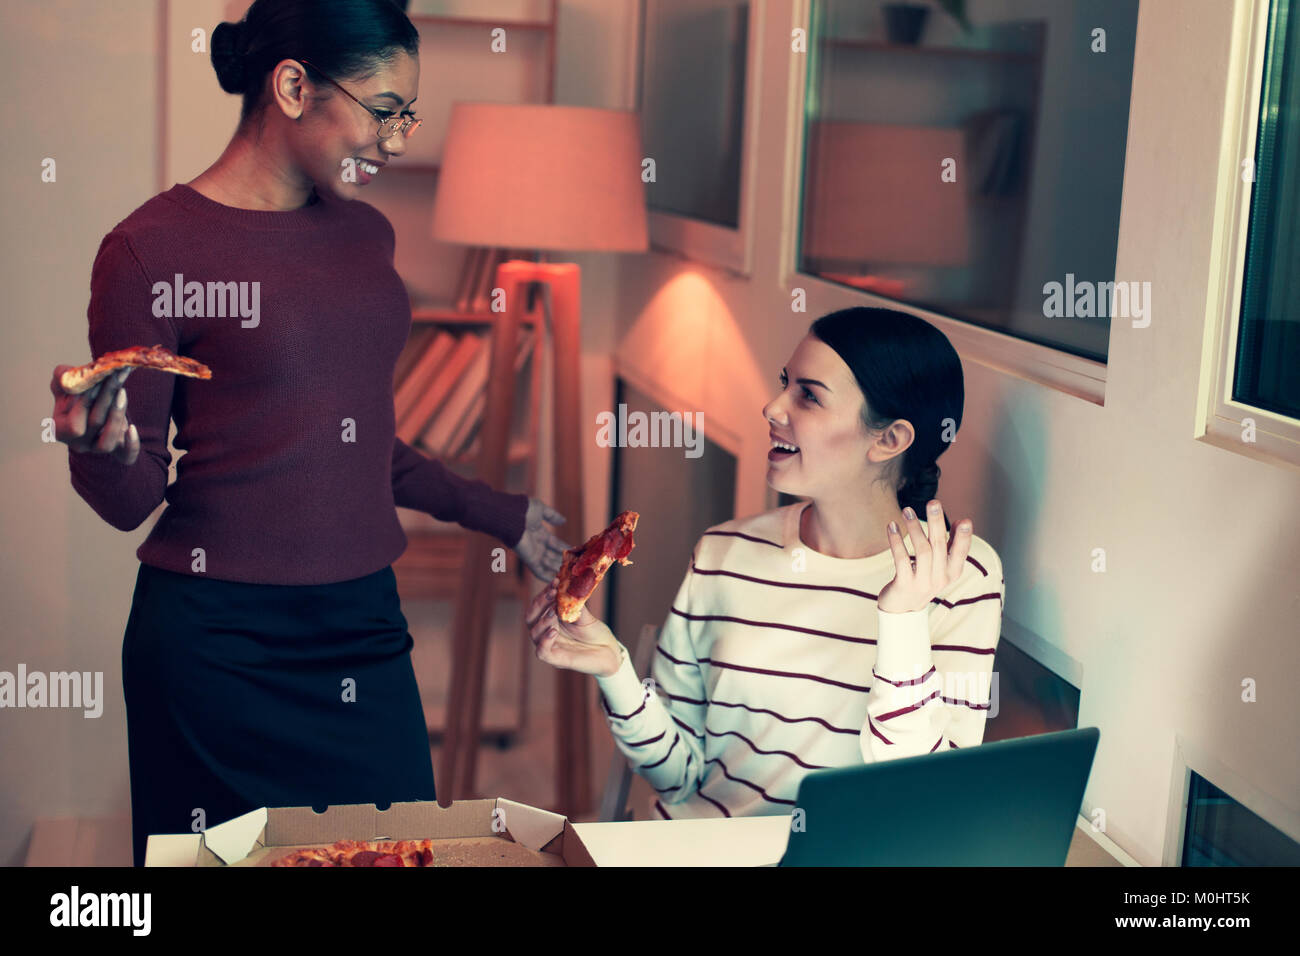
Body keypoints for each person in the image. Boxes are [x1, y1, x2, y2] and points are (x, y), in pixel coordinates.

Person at [49, 0, 568, 866]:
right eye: (383, 109)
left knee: (399, 853)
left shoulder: (367, 235)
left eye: (410, 115)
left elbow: (358, 443)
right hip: (216, 649)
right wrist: (100, 453)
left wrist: (497, 513)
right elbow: (134, 498)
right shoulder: (150, 250)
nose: (397, 140)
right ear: (292, 86)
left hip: (361, 625)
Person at [528, 306, 1005, 820]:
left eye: (809, 395)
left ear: (888, 440)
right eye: (785, 383)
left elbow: (919, 804)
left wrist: (904, 619)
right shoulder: (722, 554)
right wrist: (615, 669)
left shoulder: (962, 576)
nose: (772, 407)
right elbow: (678, 778)